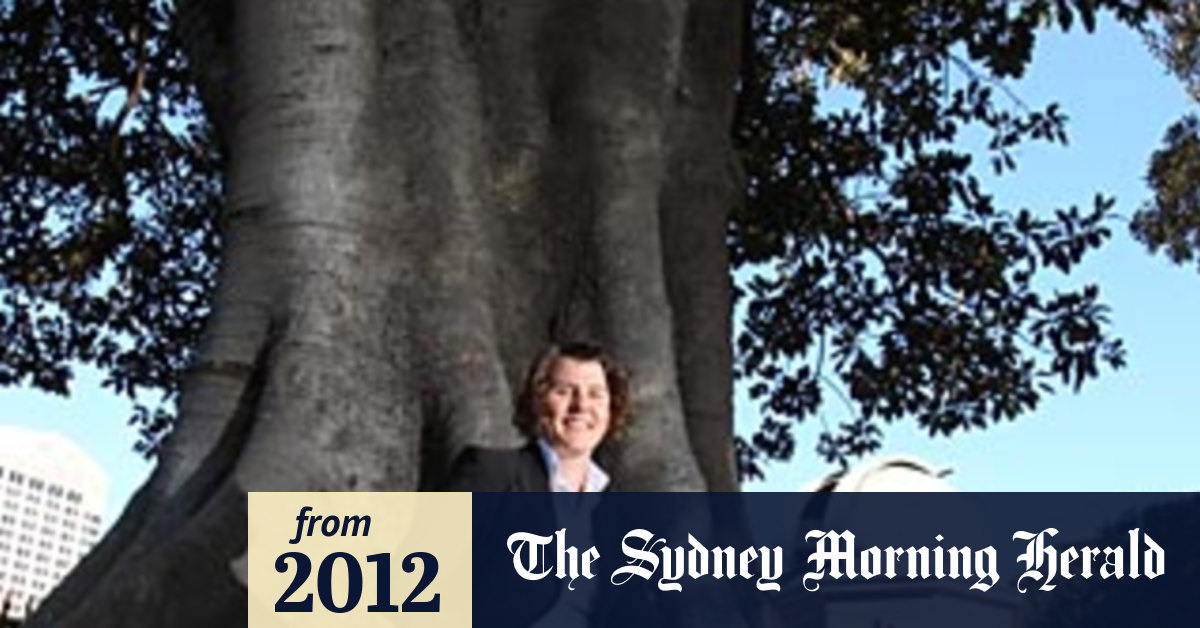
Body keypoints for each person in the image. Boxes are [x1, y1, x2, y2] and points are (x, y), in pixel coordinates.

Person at [445, 341, 630, 492]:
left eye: (595, 394)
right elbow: (429, 538)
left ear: (611, 408)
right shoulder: (487, 473)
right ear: (536, 400)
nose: (581, 405)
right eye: (563, 391)